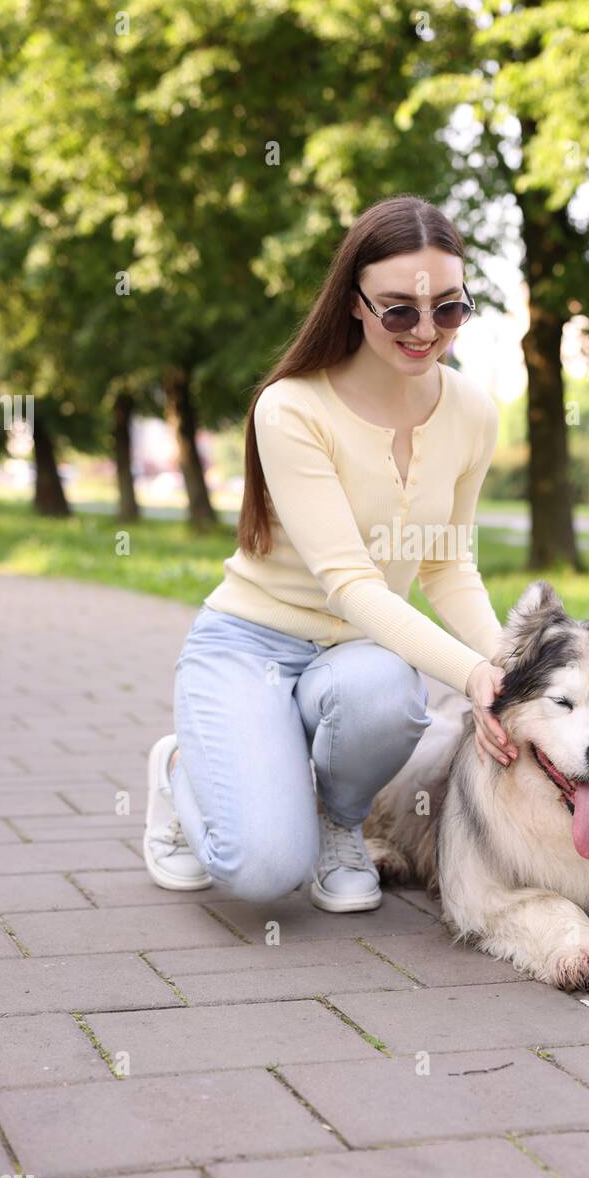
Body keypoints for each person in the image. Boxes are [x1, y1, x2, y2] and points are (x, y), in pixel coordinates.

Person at [143, 194, 517, 915]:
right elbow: (349, 583)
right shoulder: (292, 408)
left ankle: (338, 822)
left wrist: (507, 671)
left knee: (386, 691)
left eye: (449, 308)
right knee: (259, 874)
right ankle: (182, 771)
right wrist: (469, 676)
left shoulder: (472, 412)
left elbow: (446, 563)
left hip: (358, 655)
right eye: (398, 311)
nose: (426, 331)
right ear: (353, 304)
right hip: (249, 645)